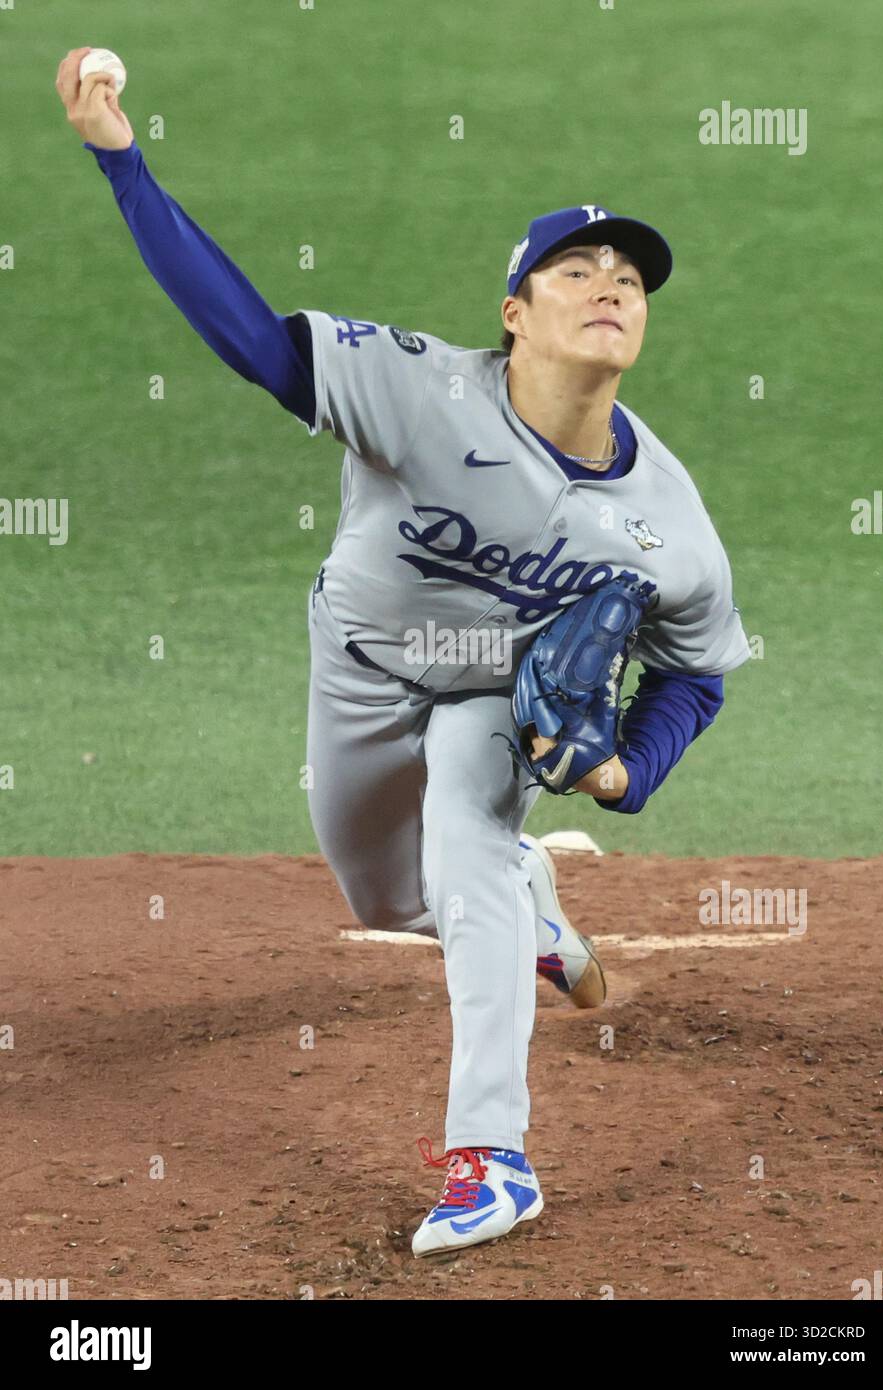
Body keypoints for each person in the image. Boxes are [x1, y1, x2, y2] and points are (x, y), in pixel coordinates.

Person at [56, 48, 750, 1258]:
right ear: (513, 312)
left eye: (629, 277)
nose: (608, 285)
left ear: (642, 318)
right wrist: (124, 164)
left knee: (471, 842)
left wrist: (624, 773)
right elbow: (251, 340)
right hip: (362, 671)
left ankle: (495, 1157)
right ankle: (543, 919)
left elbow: (697, 669)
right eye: (574, 269)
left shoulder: (670, 519)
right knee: (388, 896)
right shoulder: (419, 390)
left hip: (496, 697)